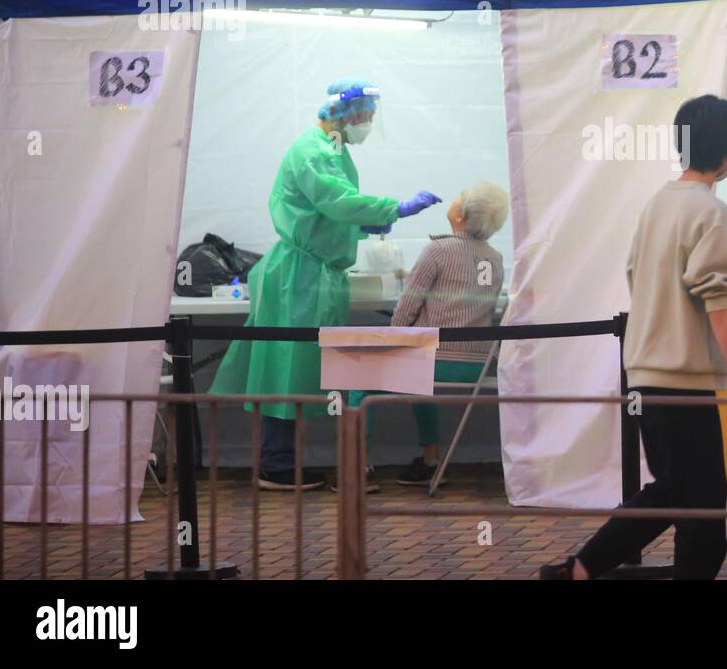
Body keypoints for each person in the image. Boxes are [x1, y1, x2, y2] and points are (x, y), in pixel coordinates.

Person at [539, 95, 727, 580]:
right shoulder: (715, 215)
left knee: (678, 492)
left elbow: (637, 276)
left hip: (645, 371)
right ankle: (577, 570)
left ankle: (577, 570)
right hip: (686, 379)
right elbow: (719, 304)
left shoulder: (657, 205)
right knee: (704, 512)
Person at [210, 79, 442, 490]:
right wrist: (396, 209)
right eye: (365, 115)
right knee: (286, 369)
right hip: (297, 278)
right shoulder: (312, 151)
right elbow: (337, 201)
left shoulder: (335, 151)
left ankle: (288, 460)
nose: (368, 122)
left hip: (316, 275)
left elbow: (334, 211)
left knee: (305, 371)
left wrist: (374, 219)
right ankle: (274, 464)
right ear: (344, 113)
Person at [348, 181, 508, 486]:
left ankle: (357, 469)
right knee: (416, 379)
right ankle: (429, 460)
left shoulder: (438, 250)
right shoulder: (495, 259)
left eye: (458, 196)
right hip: (476, 366)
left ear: (460, 215)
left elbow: (406, 306)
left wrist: (389, 344)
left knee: (360, 378)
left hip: (436, 361)